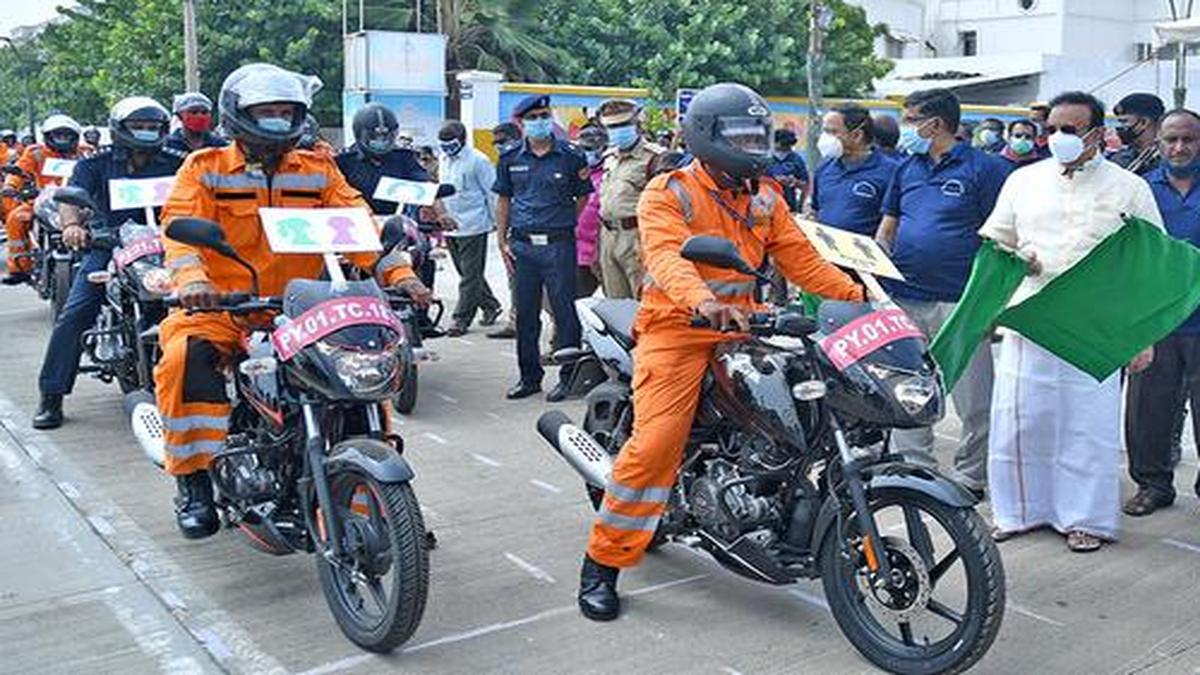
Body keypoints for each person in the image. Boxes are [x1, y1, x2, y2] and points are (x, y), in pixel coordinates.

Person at [577, 83, 866, 622]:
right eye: (741, 135)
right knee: (656, 444)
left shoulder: (766, 195)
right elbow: (665, 256)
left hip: (748, 328)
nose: (753, 144)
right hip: (677, 329)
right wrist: (703, 302)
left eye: (758, 133)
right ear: (706, 136)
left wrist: (861, 299)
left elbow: (802, 261)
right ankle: (602, 564)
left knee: (801, 415)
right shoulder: (669, 191)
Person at [156, 63, 429, 539]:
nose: (279, 121)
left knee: (358, 379)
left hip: (306, 310)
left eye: (287, 112)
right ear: (239, 115)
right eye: (268, 112)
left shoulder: (320, 170)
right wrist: (195, 280)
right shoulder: (205, 169)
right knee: (184, 357)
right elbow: (179, 232)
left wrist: (402, 275)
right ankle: (194, 481)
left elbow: (359, 231)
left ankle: (382, 505)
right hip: (224, 307)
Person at [980, 91, 1162, 552]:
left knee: (1086, 425)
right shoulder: (1022, 181)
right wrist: (1017, 258)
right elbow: (996, 242)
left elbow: (1150, 264)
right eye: (1053, 129)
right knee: (1021, 420)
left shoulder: (1129, 188)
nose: (1058, 137)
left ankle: (1086, 519)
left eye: (1071, 129)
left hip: (1096, 326)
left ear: (1098, 133)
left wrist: (1142, 337)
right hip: (1031, 318)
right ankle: (1017, 511)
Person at [875, 88, 1011, 496]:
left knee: (974, 396)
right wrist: (873, 264)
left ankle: (972, 475)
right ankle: (916, 469)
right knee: (907, 387)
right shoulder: (906, 167)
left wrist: (993, 305)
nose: (906, 127)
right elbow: (889, 223)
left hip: (961, 301)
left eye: (911, 118)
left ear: (935, 123)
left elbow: (1002, 237)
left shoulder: (983, 169)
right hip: (905, 295)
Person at [31, 97, 185, 429]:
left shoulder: (178, 161)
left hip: (171, 247)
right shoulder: (94, 164)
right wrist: (72, 226)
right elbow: (70, 199)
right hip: (109, 247)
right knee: (75, 315)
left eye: (152, 128)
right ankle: (51, 395)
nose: (146, 133)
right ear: (119, 129)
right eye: (138, 127)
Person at [1123, 108, 1200, 518]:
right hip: (1156, 320)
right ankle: (1152, 485)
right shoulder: (1139, 191)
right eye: (1171, 139)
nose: (1180, 147)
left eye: (1188, 139)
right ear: (1158, 142)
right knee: (1148, 410)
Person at [493, 94, 591, 402]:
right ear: (521, 124)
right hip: (523, 247)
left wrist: (560, 224)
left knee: (565, 314)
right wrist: (501, 239)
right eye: (532, 118)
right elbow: (504, 200)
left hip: (558, 246)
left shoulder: (571, 156)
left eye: (544, 115)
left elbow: (582, 199)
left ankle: (568, 377)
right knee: (525, 315)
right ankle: (529, 377)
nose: (539, 122)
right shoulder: (510, 157)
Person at [336, 103, 448, 336]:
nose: (382, 141)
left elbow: (425, 185)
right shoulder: (343, 162)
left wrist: (441, 212)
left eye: (387, 136)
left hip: (396, 225)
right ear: (360, 134)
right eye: (375, 136)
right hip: (355, 228)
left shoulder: (404, 158)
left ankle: (421, 313)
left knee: (424, 252)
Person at [2, 114, 87, 285]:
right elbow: (19, 171)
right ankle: (20, 268)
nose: (62, 139)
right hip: (43, 200)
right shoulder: (36, 152)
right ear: (47, 136)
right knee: (16, 218)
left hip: (78, 201)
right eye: (58, 135)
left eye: (66, 135)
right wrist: (10, 186)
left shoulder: (85, 152)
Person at [437, 119, 504, 335]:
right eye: (443, 144)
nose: (446, 148)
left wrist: (497, 223)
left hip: (474, 225)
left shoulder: (478, 161)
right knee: (467, 273)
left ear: (462, 140)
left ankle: (461, 319)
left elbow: (492, 194)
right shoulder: (443, 159)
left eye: (450, 143)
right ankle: (491, 305)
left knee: (469, 276)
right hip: (450, 224)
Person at [596, 98, 661, 300]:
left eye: (623, 125)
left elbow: (664, 207)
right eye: (612, 127)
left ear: (637, 124)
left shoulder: (654, 158)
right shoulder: (609, 157)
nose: (618, 130)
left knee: (643, 301)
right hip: (608, 235)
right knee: (615, 304)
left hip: (637, 236)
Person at [811, 104, 898, 236]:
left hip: (865, 253)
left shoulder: (891, 172)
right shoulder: (824, 168)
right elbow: (815, 209)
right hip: (825, 251)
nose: (825, 138)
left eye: (833, 132)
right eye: (825, 131)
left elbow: (893, 223)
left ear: (857, 135)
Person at [486, 122, 523, 339]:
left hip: (542, 233)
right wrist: (501, 237)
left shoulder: (535, 159)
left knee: (549, 292)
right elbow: (502, 201)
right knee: (515, 282)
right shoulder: (506, 162)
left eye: (502, 142)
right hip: (514, 232)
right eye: (496, 143)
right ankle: (515, 322)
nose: (499, 146)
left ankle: (558, 336)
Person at [574, 124, 607, 298]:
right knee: (572, 302)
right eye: (582, 148)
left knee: (619, 301)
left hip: (604, 249)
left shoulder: (610, 173)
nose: (585, 153)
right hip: (576, 250)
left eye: (589, 149)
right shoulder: (575, 172)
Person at [1109, 93, 1164, 175]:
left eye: (1124, 121)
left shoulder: (1169, 159)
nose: (1119, 127)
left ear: (1144, 122)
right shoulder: (1119, 159)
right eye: (1119, 122)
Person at [765, 128, 809, 211]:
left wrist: (794, 182)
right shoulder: (765, 158)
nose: (786, 148)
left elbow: (805, 184)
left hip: (789, 204)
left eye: (788, 146)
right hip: (766, 203)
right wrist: (773, 180)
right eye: (783, 144)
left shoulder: (796, 159)